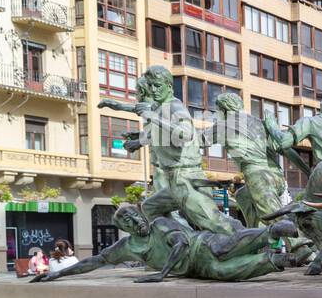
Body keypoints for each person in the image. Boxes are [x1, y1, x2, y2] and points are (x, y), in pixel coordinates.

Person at [98, 65, 236, 236]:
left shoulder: (174, 107)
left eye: (157, 86)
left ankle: (261, 244)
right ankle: (186, 242)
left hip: (187, 179)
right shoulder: (159, 107)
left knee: (217, 225)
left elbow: (186, 133)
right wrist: (118, 108)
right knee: (149, 208)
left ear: (169, 87)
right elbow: (142, 111)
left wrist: (151, 121)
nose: (153, 90)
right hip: (174, 180)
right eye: (150, 87)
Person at [33, 205, 294, 284]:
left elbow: (180, 243)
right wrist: (57, 274)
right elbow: (94, 261)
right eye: (129, 223)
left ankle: (271, 231)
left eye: (136, 216)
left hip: (199, 247)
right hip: (195, 270)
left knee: (223, 248)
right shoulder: (126, 247)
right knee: (224, 272)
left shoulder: (159, 223)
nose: (136, 222)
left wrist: (162, 274)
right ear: (124, 229)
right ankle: (276, 261)